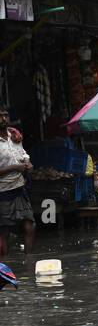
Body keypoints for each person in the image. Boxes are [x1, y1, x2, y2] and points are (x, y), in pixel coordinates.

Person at [0, 109, 35, 256]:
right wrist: (15, 167)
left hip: (19, 187)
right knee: (4, 231)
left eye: (5, 115)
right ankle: (5, 267)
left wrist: (27, 163)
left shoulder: (14, 136)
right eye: (0, 116)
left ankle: (28, 260)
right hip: (3, 191)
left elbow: (23, 154)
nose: (3, 119)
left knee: (30, 225)